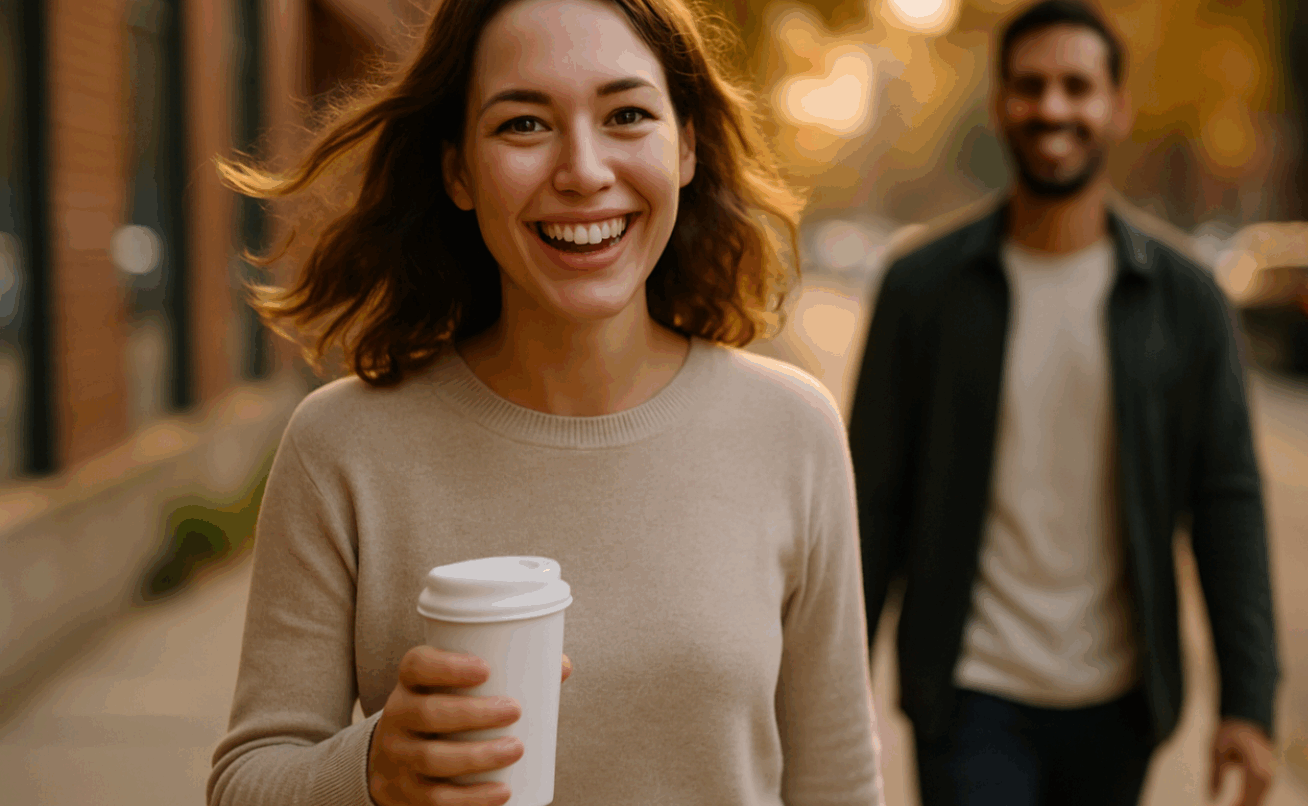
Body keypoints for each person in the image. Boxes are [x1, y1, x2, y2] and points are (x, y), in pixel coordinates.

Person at [207, 0, 883, 804]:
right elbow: (247, 780)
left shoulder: (792, 430)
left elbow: (840, 784)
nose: (583, 171)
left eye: (627, 115)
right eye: (524, 124)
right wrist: (372, 769)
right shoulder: (341, 446)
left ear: (687, 146)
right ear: (458, 171)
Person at [848, 2, 1280, 805]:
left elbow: (1228, 503)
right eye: (1031, 86)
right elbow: (870, 505)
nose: (1053, 108)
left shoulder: (1185, 299)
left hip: (1120, 705)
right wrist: (835, 697)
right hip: (968, 691)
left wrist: (1248, 705)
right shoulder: (921, 289)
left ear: (1117, 108)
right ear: (1000, 104)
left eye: (1077, 87)